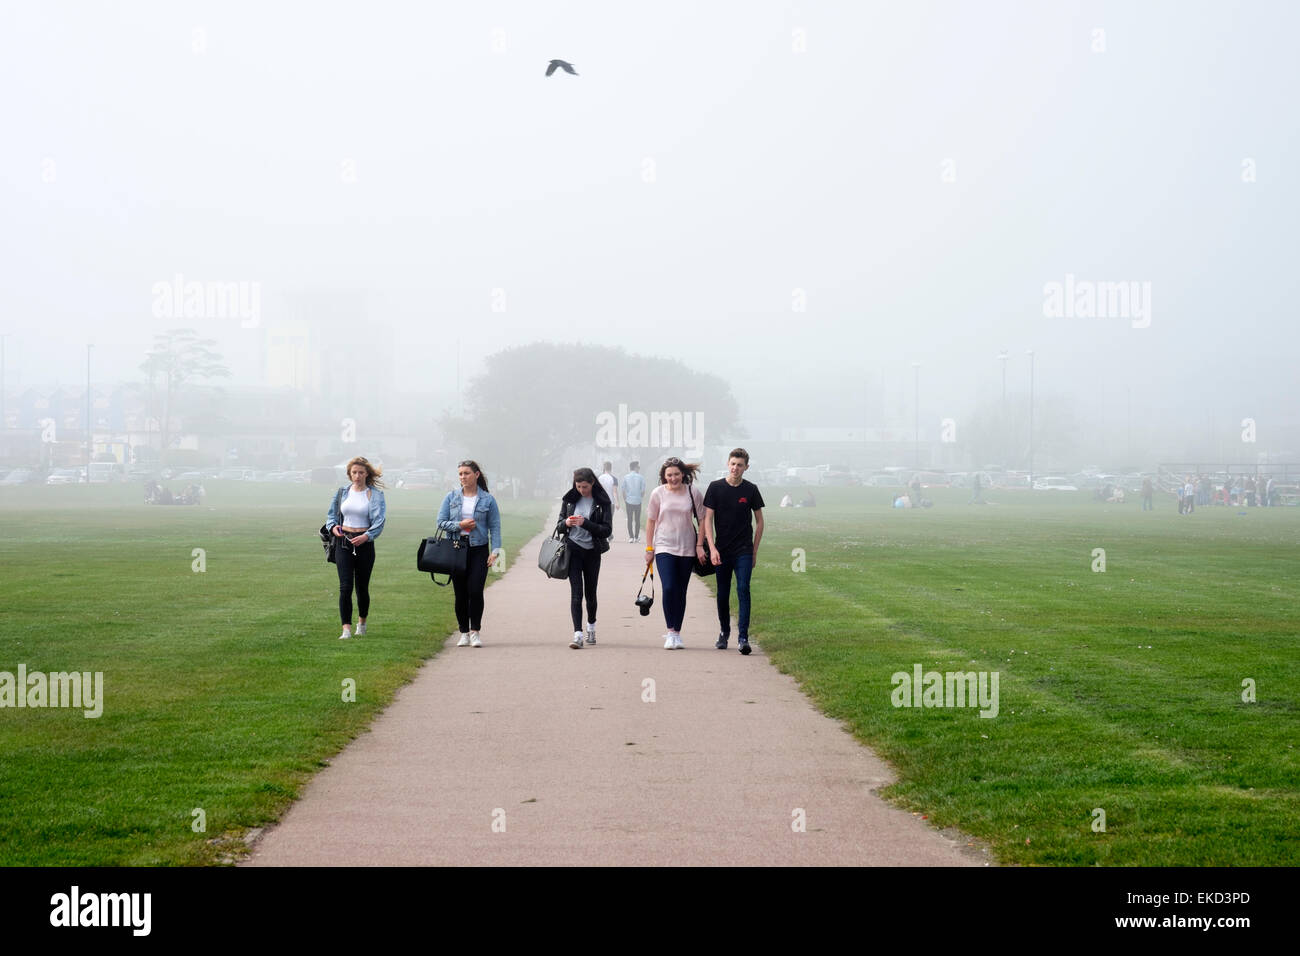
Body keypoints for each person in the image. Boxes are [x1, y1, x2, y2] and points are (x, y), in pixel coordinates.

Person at [704, 448, 765, 655]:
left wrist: (754, 551)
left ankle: (743, 637)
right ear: (727, 464)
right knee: (722, 594)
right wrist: (711, 548)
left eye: (740, 465)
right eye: (732, 464)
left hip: (744, 550)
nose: (735, 468)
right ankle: (724, 632)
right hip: (721, 550)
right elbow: (707, 519)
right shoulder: (715, 488)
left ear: (746, 467)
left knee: (743, 589)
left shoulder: (751, 490)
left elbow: (760, 522)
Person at [436, 460, 501, 647]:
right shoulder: (451, 497)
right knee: (461, 593)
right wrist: (460, 525)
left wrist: (495, 551)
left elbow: (495, 527)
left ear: (476, 474)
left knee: (475, 590)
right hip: (456, 549)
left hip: (479, 549)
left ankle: (475, 632)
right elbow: (440, 522)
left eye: (467, 473)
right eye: (460, 474)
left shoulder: (488, 499)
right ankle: (463, 631)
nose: (463, 477)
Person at [644, 457, 707, 649]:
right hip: (664, 546)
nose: (673, 478)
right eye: (669, 475)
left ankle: (677, 633)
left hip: (687, 547)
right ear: (664, 477)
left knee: (681, 591)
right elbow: (651, 522)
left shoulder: (692, 492)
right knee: (669, 587)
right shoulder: (658, 493)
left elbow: (703, 520)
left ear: (683, 474)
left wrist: (699, 545)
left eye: (676, 474)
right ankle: (670, 631)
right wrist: (649, 548)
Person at [326, 456, 387, 640]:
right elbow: (331, 516)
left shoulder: (375, 495)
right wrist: (333, 527)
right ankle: (346, 629)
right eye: (354, 472)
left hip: (365, 544)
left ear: (367, 474)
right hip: (344, 542)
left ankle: (362, 623)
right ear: (349, 474)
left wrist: (366, 536)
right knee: (345, 587)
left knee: (362, 587)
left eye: (361, 472)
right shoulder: (342, 492)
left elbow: (379, 521)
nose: (357, 476)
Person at [558, 467, 613, 648]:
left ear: (592, 483)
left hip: (592, 552)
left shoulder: (602, 501)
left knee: (590, 593)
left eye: (585, 487)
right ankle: (577, 634)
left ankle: (591, 627)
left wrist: (585, 523)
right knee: (576, 593)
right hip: (573, 550)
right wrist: (566, 523)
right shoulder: (569, 500)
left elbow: (606, 530)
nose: (582, 490)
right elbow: (559, 526)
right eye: (579, 486)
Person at [621, 460, 646, 543]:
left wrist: (625, 499)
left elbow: (623, 490)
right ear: (635, 467)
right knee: (637, 519)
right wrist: (640, 497)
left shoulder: (625, 477)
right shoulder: (641, 477)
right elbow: (643, 491)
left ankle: (631, 537)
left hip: (628, 501)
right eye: (638, 467)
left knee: (630, 519)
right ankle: (636, 537)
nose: (639, 468)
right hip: (638, 501)